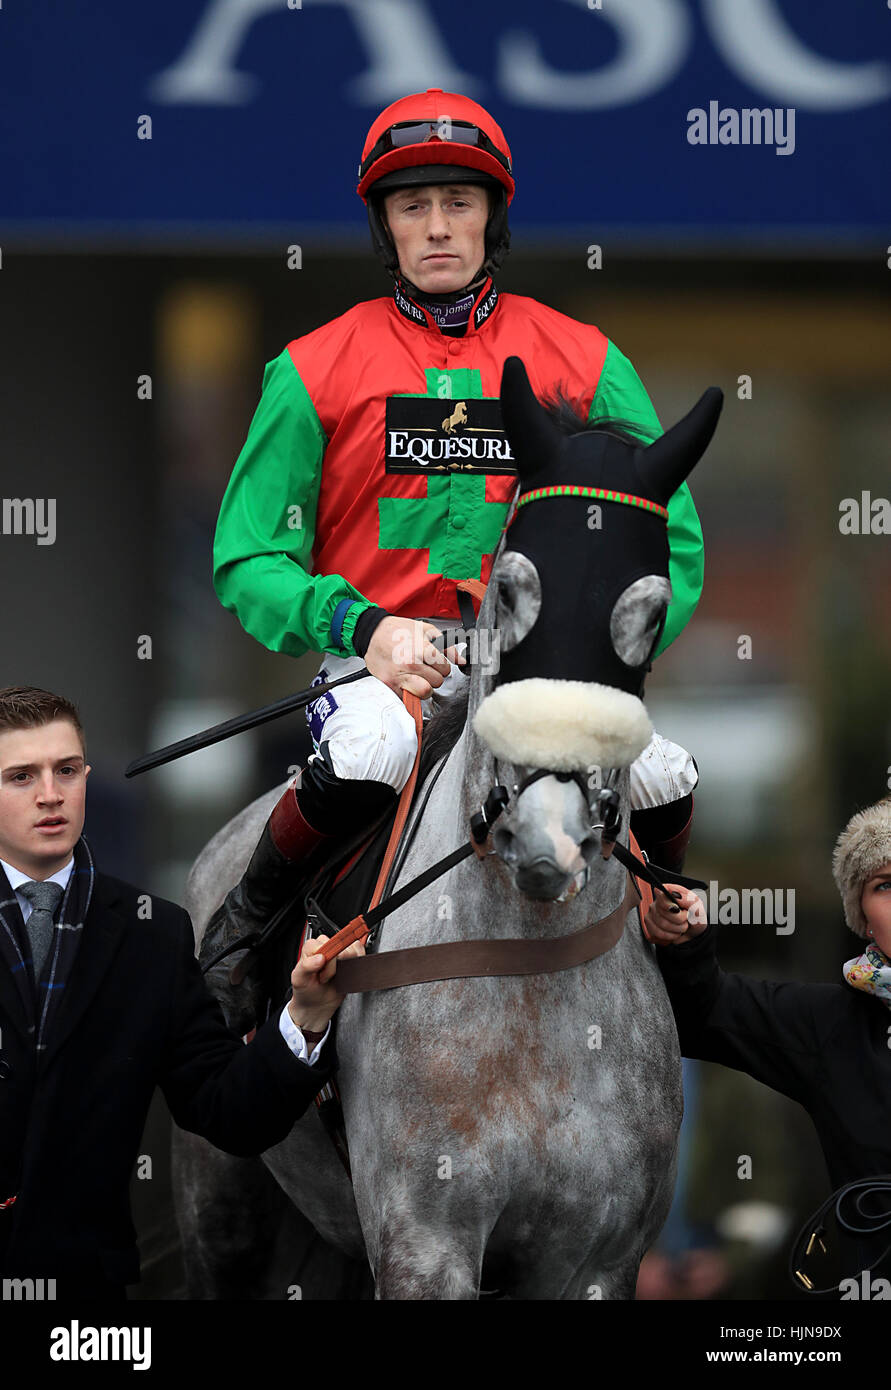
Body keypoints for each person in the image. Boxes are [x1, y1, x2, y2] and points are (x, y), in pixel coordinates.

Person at [208, 87, 703, 953]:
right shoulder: (309, 370)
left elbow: (675, 546)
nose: (437, 225)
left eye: (457, 203)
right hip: (380, 670)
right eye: (413, 205)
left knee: (664, 774)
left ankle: (676, 957)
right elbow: (249, 557)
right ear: (385, 226)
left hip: (544, 670)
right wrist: (363, 628)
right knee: (369, 755)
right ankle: (247, 932)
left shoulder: (587, 360)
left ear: (490, 217)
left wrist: (591, 654)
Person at [0, 685, 361, 1300]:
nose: (51, 794)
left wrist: (303, 1018)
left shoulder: (153, 934)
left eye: (66, 770)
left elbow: (228, 1112)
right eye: (20, 776)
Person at [648, 797, 891, 1282]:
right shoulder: (834, 1025)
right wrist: (687, 937)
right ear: (862, 917)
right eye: (885, 885)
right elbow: (706, 1013)